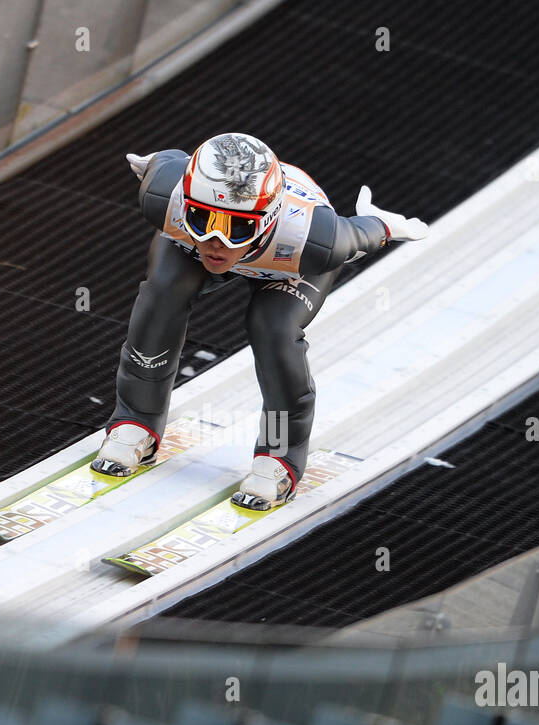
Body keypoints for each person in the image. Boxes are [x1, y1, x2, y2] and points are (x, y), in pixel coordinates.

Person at [92, 132, 429, 509]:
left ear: (268, 219)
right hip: (208, 245)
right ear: (184, 203)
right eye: (202, 218)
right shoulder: (162, 195)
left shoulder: (318, 240)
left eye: (236, 226)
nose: (216, 242)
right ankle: (136, 421)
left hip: (286, 267)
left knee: (274, 329)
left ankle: (278, 455)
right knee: (163, 291)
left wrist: (382, 225)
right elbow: (165, 162)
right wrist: (161, 167)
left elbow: (363, 232)